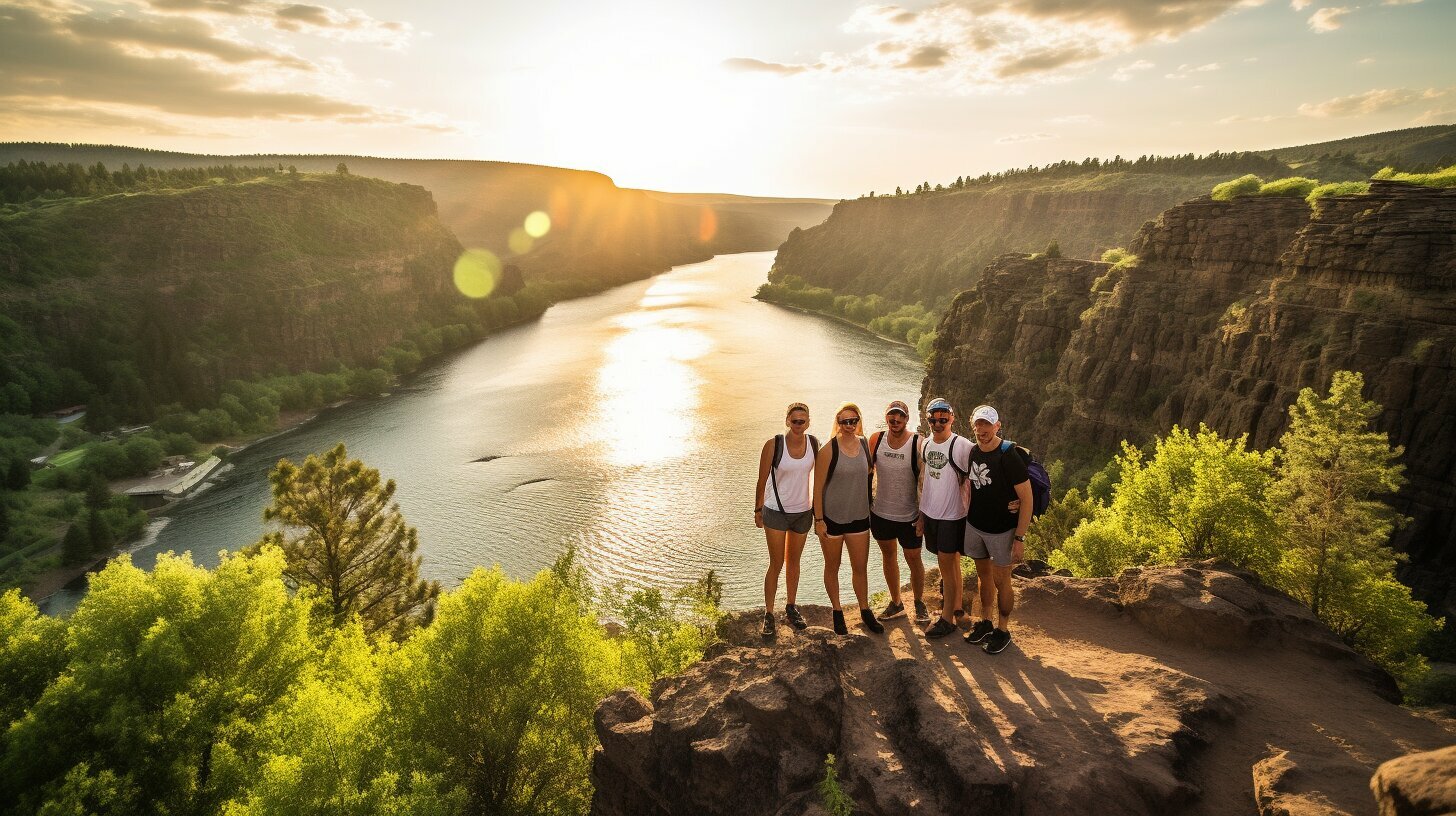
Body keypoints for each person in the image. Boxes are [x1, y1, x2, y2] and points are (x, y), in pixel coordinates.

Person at [961, 404, 1033, 655]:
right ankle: (987, 622)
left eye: (987, 424)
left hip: (1002, 531)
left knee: (1003, 582)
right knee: (984, 578)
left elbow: (1027, 498)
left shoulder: (1008, 455)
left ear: (997, 426)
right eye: (978, 424)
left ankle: (1003, 630)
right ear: (973, 426)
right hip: (976, 525)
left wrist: (1020, 537)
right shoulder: (973, 452)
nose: (982, 430)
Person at [813, 403, 882, 636]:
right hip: (832, 518)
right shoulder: (828, 450)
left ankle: (864, 610)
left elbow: (870, 476)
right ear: (838, 423)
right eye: (845, 422)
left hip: (859, 517)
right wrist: (819, 520)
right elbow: (817, 488)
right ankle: (837, 611)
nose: (850, 425)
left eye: (854, 421)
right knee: (833, 567)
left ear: (858, 421)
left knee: (859, 567)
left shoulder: (864, 444)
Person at [755, 402, 818, 637]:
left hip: (803, 511)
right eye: (794, 421)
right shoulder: (774, 445)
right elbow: (761, 481)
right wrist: (758, 510)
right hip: (776, 512)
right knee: (776, 563)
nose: (798, 425)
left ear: (808, 422)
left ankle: (791, 606)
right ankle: (769, 614)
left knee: (794, 562)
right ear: (787, 421)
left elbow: (819, 480)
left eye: (802, 421)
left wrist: (819, 514)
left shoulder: (813, 444)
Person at [869, 400, 929, 624]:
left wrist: (923, 515)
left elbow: (926, 482)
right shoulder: (876, 440)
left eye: (900, 417)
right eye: (892, 416)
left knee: (914, 558)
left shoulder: (917, 443)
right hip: (881, 512)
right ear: (887, 418)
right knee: (889, 557)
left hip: (909, 515)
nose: (895, 421)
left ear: (907, 419)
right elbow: (863, 470)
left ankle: (919, 602)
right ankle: (896, 602)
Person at [917, 397, 971, 639]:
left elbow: (978, 476)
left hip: (952, 515)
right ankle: (957, 607)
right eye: (933, 419)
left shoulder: (961, 446)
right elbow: (927, 480)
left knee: (946, 567)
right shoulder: (926, 445)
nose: (937, 423)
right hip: (932, 512)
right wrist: (921, 515)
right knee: (952, 564)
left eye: (943, 419)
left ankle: (947, 618)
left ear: (952, 418)